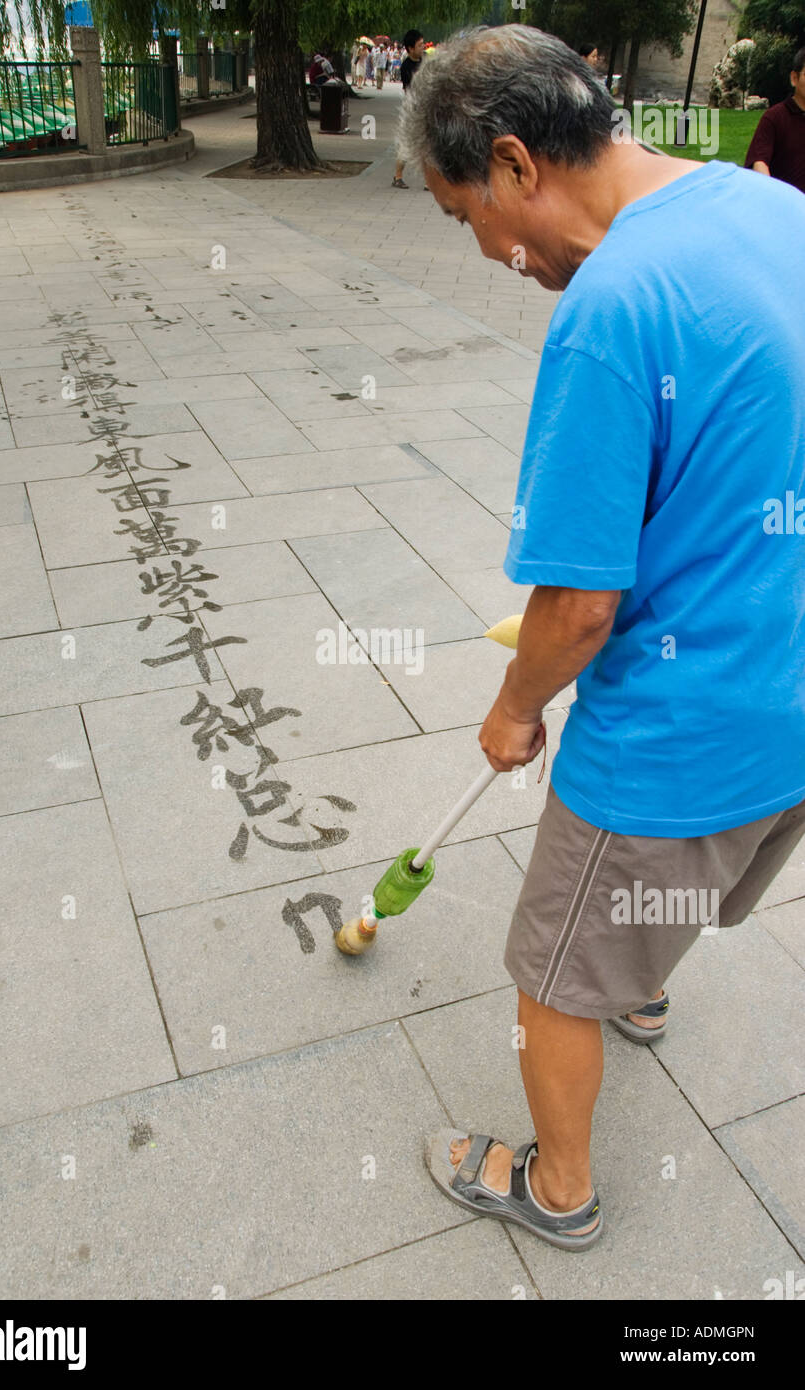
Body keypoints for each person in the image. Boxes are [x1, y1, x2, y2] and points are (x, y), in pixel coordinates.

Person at [398, 24, 805, 1249]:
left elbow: (577, 607)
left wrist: (517, 706)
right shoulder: (773, 207)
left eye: (461, 210)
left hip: (687, 728)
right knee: (675, 891)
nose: (486, 251)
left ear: (517, 163)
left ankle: (558, 1187)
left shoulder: (614, 307)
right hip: (788, 696)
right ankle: (645, 991)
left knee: (551, 969)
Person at [744, 44, 805, 194]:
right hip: (784, 206)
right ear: (794, 78)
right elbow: (759, 163)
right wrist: (773, 195)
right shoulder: (775, 118)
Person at [392, 29, 425, 188]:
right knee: (405, 144)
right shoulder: (406, 66)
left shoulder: (426, 60)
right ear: (410, 48)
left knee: (428, 145)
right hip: (411, 109)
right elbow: (410, 89)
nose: (423, 48)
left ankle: (430, 182)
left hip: (426, 108)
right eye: (419, 45)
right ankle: (397, 177)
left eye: (423, 44)